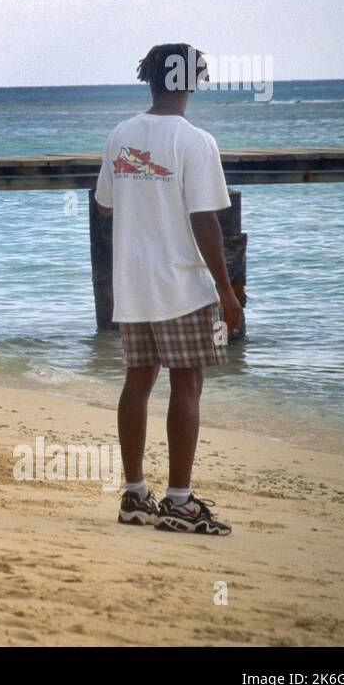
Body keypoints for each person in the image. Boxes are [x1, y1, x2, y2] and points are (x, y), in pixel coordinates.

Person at [95, 43, 243, 536]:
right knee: (188, 381)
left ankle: (136, 495)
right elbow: (206, 221)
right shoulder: (196, 141)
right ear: (192, 82)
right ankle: (179, 501)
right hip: (181, 283)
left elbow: (106, 206)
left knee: (138, 381)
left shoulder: (120, 136)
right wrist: (226, 291)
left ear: (151, 79)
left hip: (132, 285)